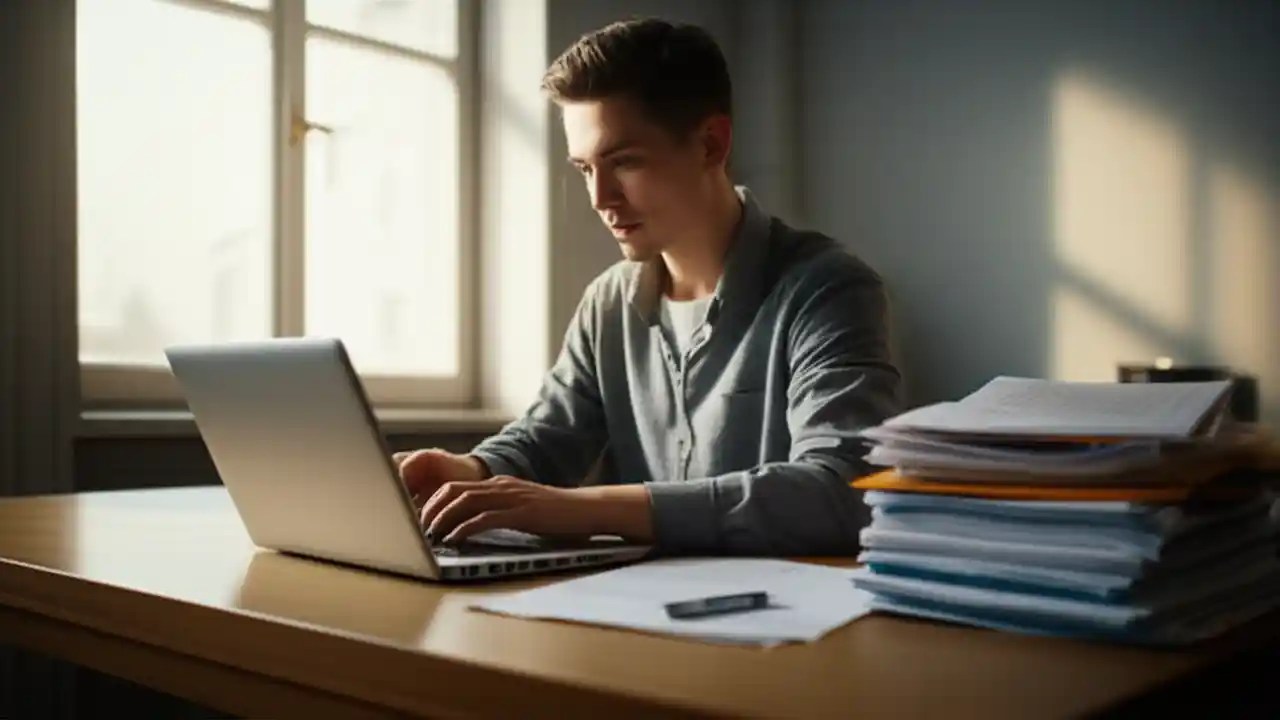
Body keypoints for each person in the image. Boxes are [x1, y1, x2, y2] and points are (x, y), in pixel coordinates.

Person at [397, 17, 901, 555]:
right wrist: (473, 468)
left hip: (792, 621)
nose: (600, 197)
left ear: (711, 144)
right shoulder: (607, 302)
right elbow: (550, 436)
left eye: (625, 163)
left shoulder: (828, 289)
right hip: (644, 611)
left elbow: (846, 490)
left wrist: (583, 509)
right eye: (585, 168)